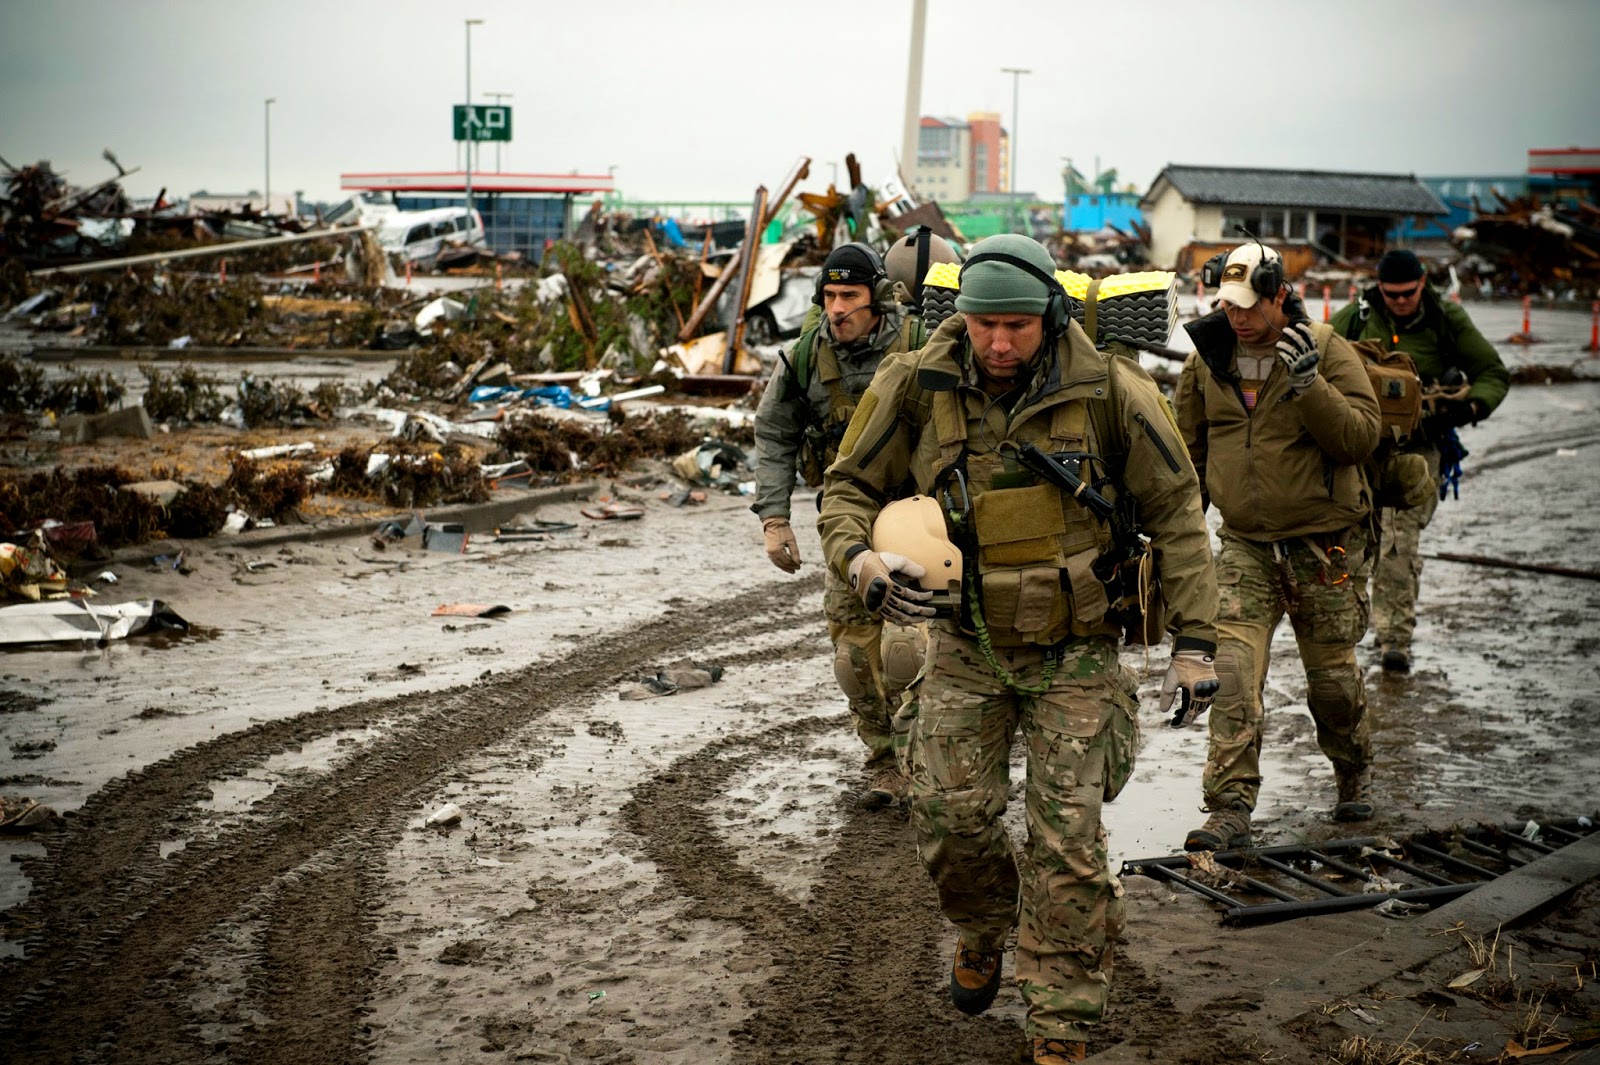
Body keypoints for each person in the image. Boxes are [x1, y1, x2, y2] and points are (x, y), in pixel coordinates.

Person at [819, 234, 1219, 1064]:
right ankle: (985, 924)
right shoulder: (916, 382)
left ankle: (1060, 1018)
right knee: (948, 819)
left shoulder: (1112, 390)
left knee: (1067, 840)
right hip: (963, 641)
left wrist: (1196, 643)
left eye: (1016, 326)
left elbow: (1179, 511)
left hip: (1076, 648)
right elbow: (848, 485)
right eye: (982, 325)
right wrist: (858, 558)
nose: (998, 344)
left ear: (1050, 316)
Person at [1175, 242, 1382, 849]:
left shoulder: (1326, 348)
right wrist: (1174, 541)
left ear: (1278, 296)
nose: (1237, 317)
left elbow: (1360, 439)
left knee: (1332, 683)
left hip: (1324, 549)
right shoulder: (1208, 359)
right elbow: (1186, 458)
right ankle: (1230, 807)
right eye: (1227, 305)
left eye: (1248, 305)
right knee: (1231, 674)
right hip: (1245, 547)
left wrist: (1309, 385)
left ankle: (1352, 769)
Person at [751, 241, 930, 808]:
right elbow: (774, 432)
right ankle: (885, 764)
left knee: (909, 652)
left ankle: (927, 763)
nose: (837, 308)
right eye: (828, 296)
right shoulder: (806, 357)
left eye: (849, 295)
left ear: (877, 296)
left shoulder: (922, 344)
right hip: (844, 522)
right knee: (854, 661)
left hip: (919, 522)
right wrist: (774, 518)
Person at [1330, 249, 1510, 673]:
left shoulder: (1446, 320)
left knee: (1398, 539)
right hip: (1361, 449)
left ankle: (1394, 640)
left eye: (1407, 293)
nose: (1399, 301)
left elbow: (1493, 373)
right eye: (1390, 294)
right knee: (1349, 542)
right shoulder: (1356, 316)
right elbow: (1317, 357)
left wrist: (1468, 408)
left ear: (1422, 284)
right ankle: (1341, 638)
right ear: (1379, 288)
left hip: (1419, 447)